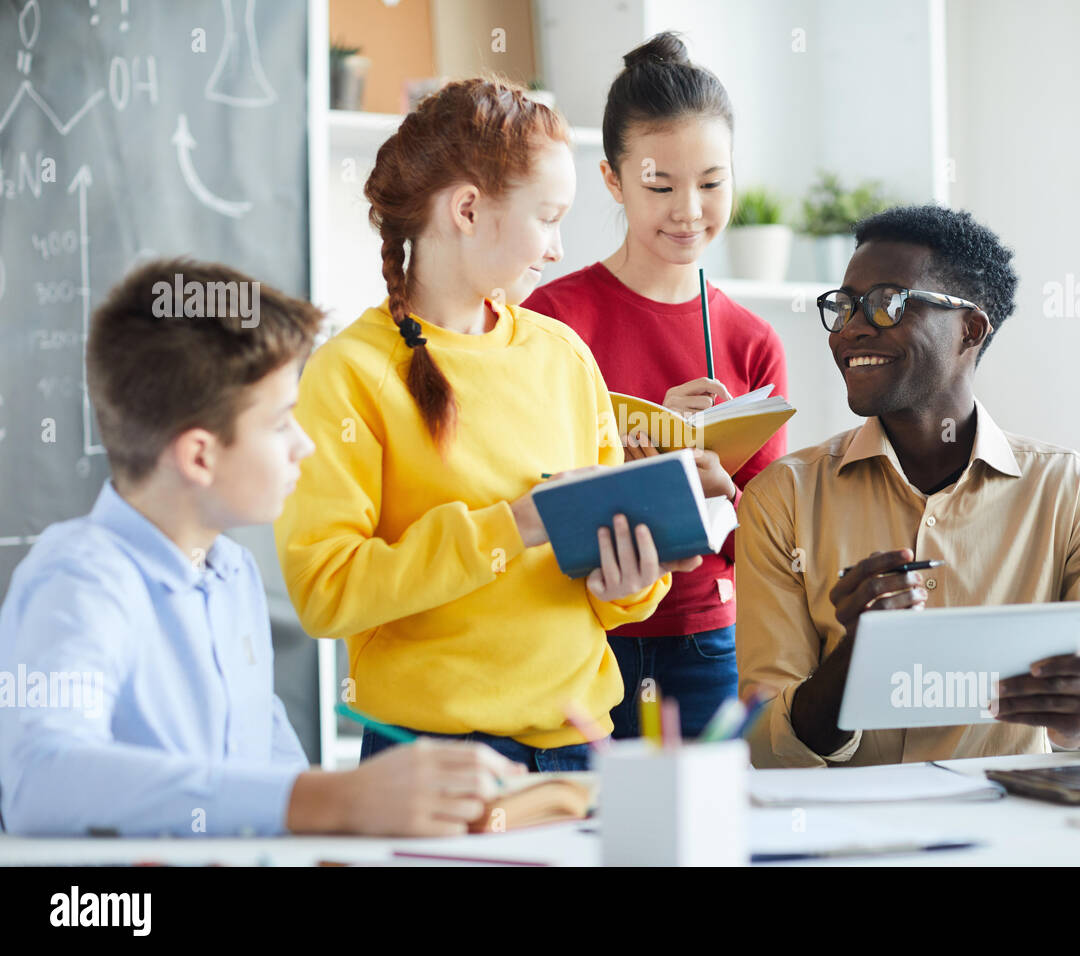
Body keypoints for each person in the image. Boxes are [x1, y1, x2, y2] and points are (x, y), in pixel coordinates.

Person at [0, 258, 523, 837]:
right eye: (280, 425)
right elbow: (41, 779)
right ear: (200, 455)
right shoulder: (81, 577)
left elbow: (266, 767)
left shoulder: (233, 575)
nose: (304, 446)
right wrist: (331, 799)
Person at [275, 79, 699, 774]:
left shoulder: (562, 354)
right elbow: (327, 592)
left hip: (582, 752)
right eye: (548, 218)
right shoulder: (349, 374)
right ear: (469, 208)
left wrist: (629, 583)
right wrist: (517, 524)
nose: (559, 249)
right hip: (431, 761)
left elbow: (600, 602)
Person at [736, 205, 1080, 767]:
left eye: (887, 303)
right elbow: (765, 743)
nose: (853, 327)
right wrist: (856, 656)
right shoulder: (782, 499)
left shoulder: (1072, 494)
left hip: (1020, 838)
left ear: (969, 329)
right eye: (845, 305)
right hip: (850, 844)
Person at [523, 32, 788, 738]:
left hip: (704, 643)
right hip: (577, 631)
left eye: (711, 182)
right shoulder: (551, 319)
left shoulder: (752, 342)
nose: (689, 211)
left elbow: (769, 546)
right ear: (612, 180)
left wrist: (723, 492)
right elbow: (520, 495)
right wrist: (621, 457)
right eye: (659, 186)